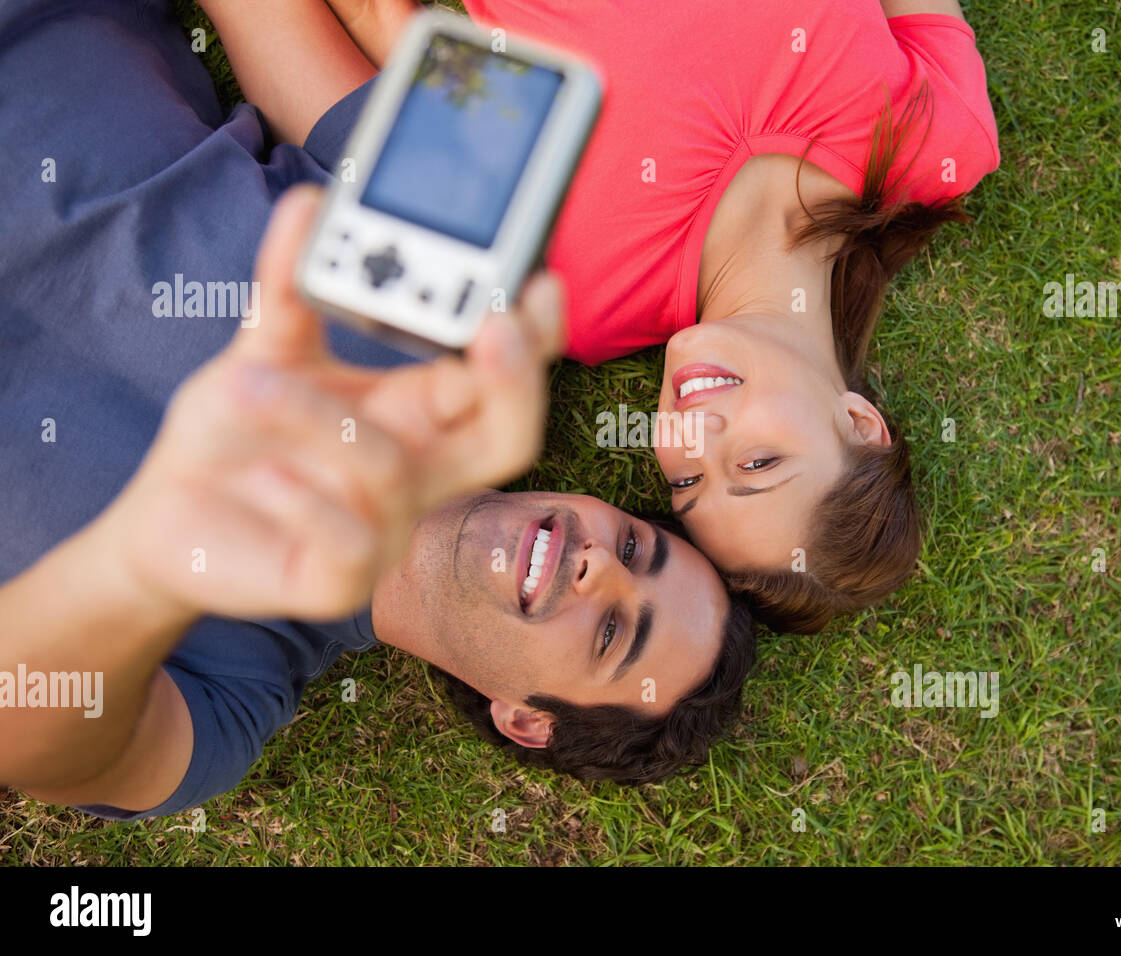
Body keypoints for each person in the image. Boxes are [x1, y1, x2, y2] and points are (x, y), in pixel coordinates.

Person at [0, 1, 755, 821]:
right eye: (637, 547)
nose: (598, 564)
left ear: (525, 718)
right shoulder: (473, 302)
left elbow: (29, 734)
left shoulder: (228, 702)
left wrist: (140, 567)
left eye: (612, 633)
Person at [320, 0, 1002, 633]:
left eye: (688, 481)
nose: (694, 434)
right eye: (759, 461)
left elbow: (399, 34)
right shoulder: (939, 146)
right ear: (859, 423)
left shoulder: (580, 292)